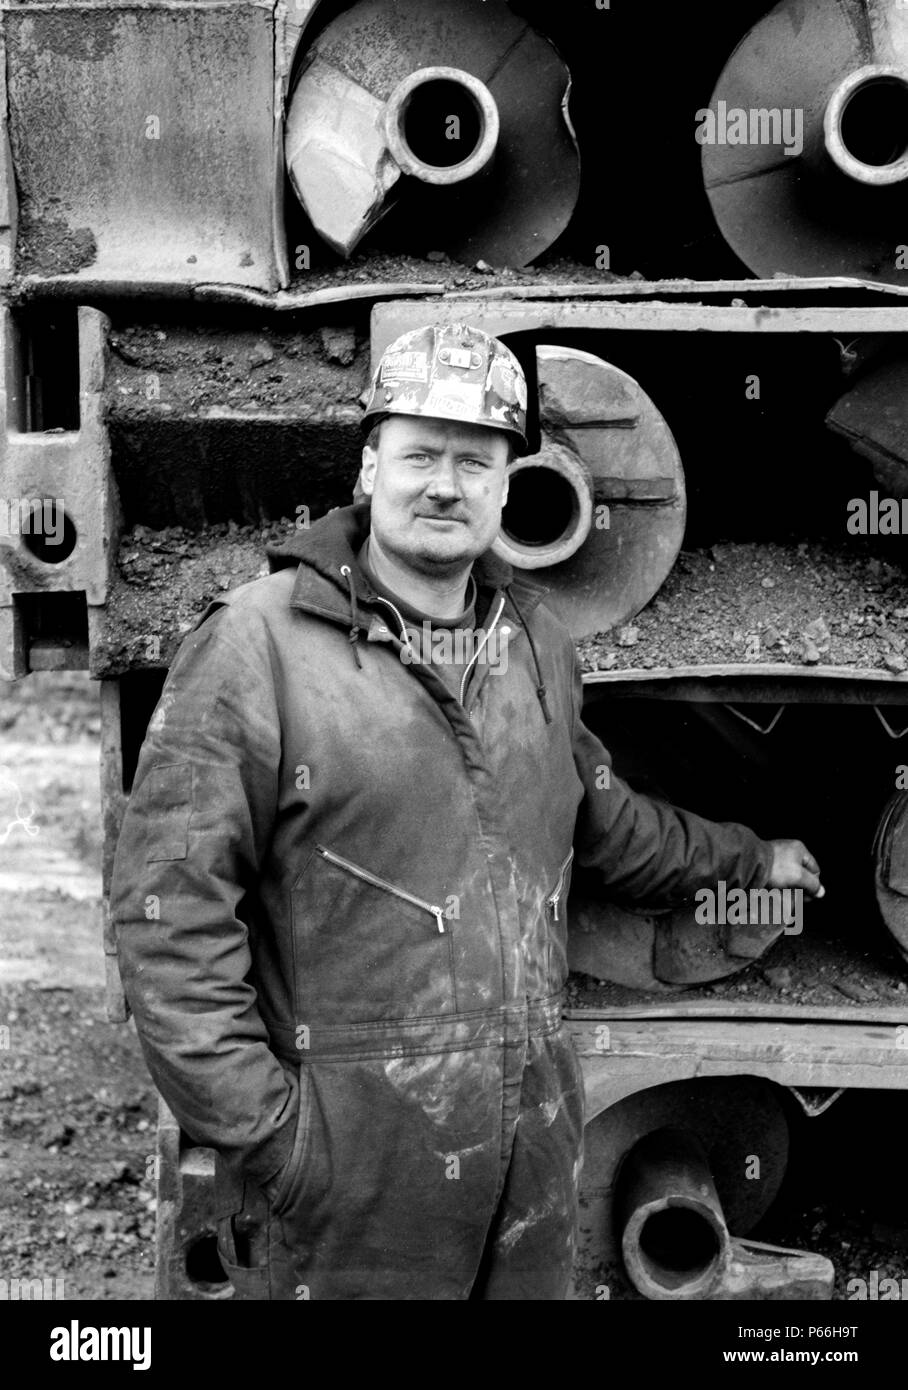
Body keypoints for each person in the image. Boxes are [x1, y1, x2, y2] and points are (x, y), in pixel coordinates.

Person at [110, 323, 822, 1300]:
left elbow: (606, 825)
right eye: (419, 454)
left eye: (473, 461)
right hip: (350, 1161)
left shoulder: (531, 642)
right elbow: (168, 924)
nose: (443, 484)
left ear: (503, 486)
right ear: (369, 467)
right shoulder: (255, 647)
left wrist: (746, 862)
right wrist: (279, 1143)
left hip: (524, 1139)